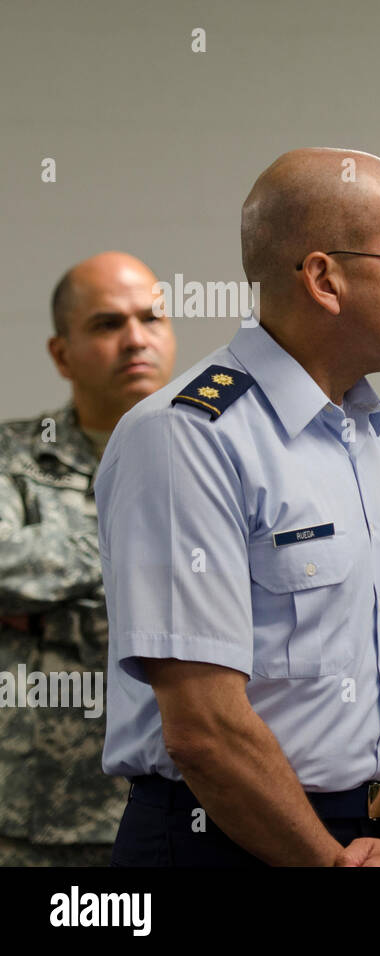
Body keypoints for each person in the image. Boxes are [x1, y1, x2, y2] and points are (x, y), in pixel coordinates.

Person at [97, 148, 380, 866]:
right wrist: (325, 863)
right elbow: (203, 726)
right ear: (325, 279)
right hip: (221, 841)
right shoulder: (185, 437)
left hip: (371, 838)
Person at [0, 252, 176, 866]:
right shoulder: (15, 456)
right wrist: (147, 555)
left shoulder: (213, 458)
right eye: (107, 324)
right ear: (60, 353)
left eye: (151, 318)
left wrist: (50, 597)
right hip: (36, 811)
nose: (135, 339)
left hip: (187, 803)